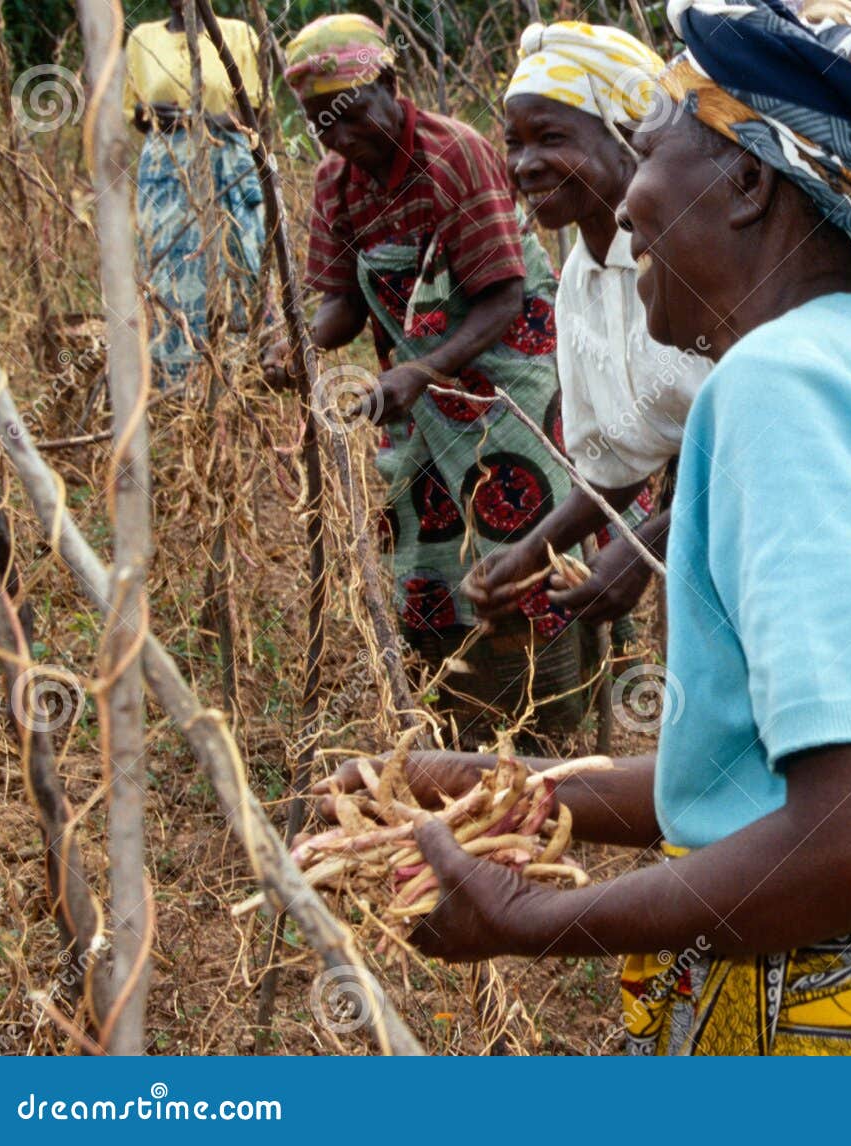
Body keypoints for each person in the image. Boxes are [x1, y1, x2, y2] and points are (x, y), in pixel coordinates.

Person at [322, 0, 851, 1056]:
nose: (632, 205)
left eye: (648, 154)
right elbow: (784, 781)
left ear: (747, 184)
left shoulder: (780, 388)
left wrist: (532, 921)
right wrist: (493, 785)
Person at [264, 14, 595, 744]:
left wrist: (422, 368)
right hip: (414, 392)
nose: (337, 134)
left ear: (388, 84)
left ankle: (548, 720)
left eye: (348, 113)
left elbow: (504, 296)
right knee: (425, 541)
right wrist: (295, 347)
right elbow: (342, 308)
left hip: (510, 371)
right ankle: (464, 719)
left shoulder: (455, 156)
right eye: (320, 121)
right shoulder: (336, 184)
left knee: (524, 527)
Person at [464, 22, 709, 629]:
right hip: (713, 538)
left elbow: (771, 437)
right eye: (514, 144)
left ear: (626, 137)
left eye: (550, 138)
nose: (524, 165)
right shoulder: (579, 278)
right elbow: (614, 462)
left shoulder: (702, 253)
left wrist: (651, 541)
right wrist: (527, 553)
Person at [125, 2, 267, 387]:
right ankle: (175, 381)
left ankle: (238, 377)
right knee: (168, 270)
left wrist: (197, 118)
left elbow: (253, 109)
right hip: (166, 174)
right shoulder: (142, 39)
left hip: (227, 168)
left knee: (236, 264)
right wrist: (153, 113)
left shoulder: (239, 35)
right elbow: (135, 112)